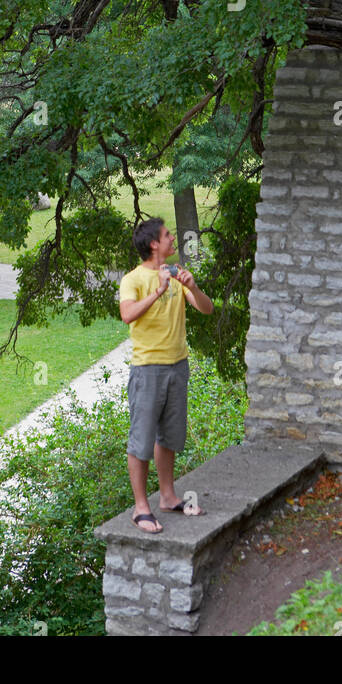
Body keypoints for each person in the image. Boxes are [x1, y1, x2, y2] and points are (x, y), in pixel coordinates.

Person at [118, 217, 214, 533]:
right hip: (148, 369)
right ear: (154, 244)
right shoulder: (133, 279)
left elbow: (207, 309)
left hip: (178, 366)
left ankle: (168, 497)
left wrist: (193, 287)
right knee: (141, 439)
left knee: (169, 436)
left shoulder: (176, 277)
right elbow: (127, 315)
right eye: (168, 235)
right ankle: (140, 507)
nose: (174, 239)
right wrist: (158, 291)